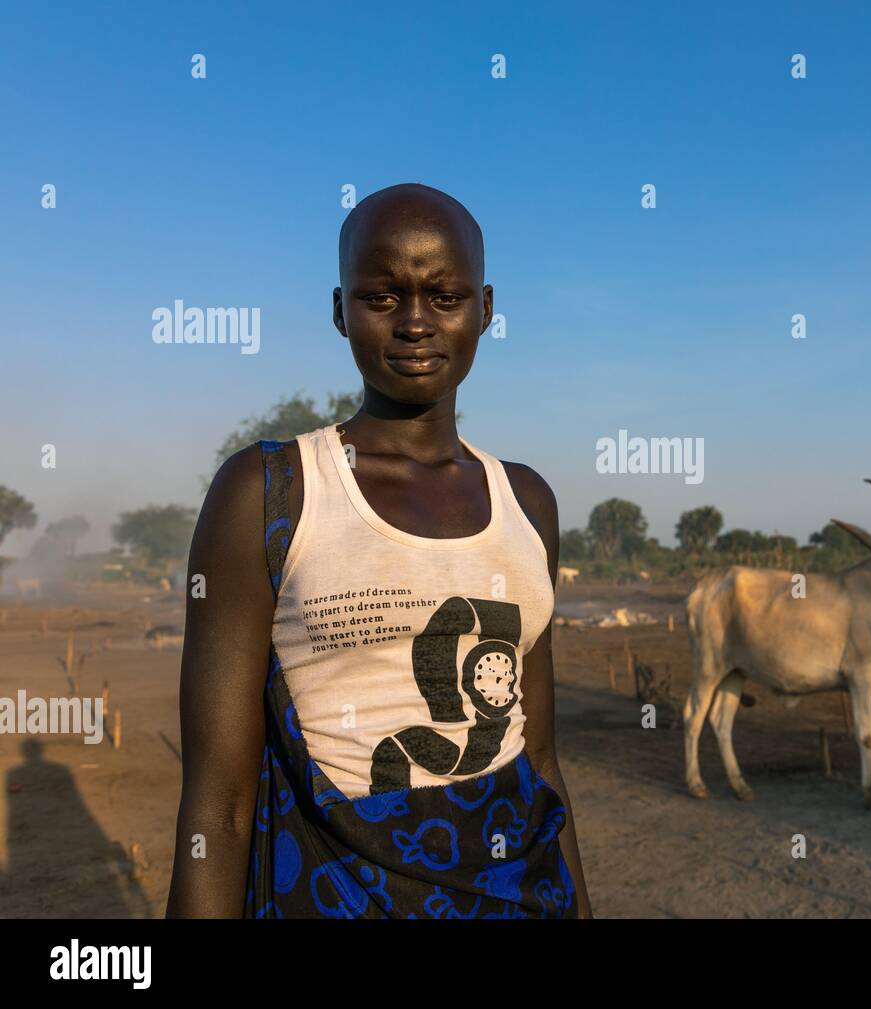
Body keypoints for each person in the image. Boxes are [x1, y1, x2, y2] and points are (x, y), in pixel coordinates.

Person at [166, 184, 590, 918]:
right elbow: (221, 803)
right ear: (341, 310)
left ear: (486, 309)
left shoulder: (527, 503)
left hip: (521, 890)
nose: (417, 323)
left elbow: (541, 759)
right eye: (383, 297)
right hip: (336, 894)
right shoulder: (271, 494)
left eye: (445, 296)